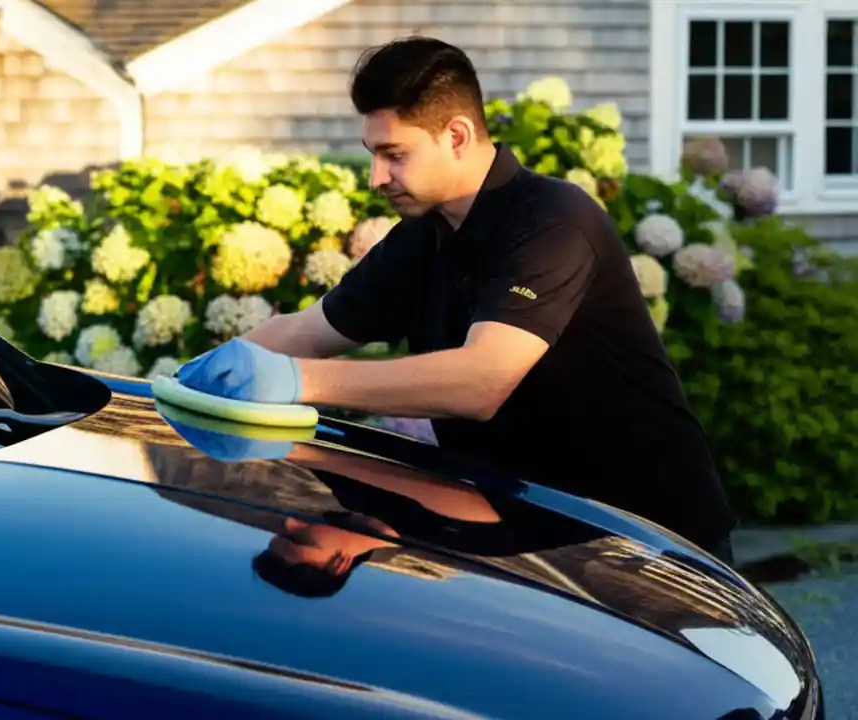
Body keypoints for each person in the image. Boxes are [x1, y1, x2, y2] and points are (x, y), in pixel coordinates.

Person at [176, 36, 738, 564]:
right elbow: (306, 330)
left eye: (394, 154)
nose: (377, 177)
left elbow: (482, 381)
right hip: (528, 526)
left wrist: (295, 382)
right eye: (373, 154)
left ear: (458, 136)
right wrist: (185, 386)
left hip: (651, 541)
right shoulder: (423, 238)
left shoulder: (555, 222)